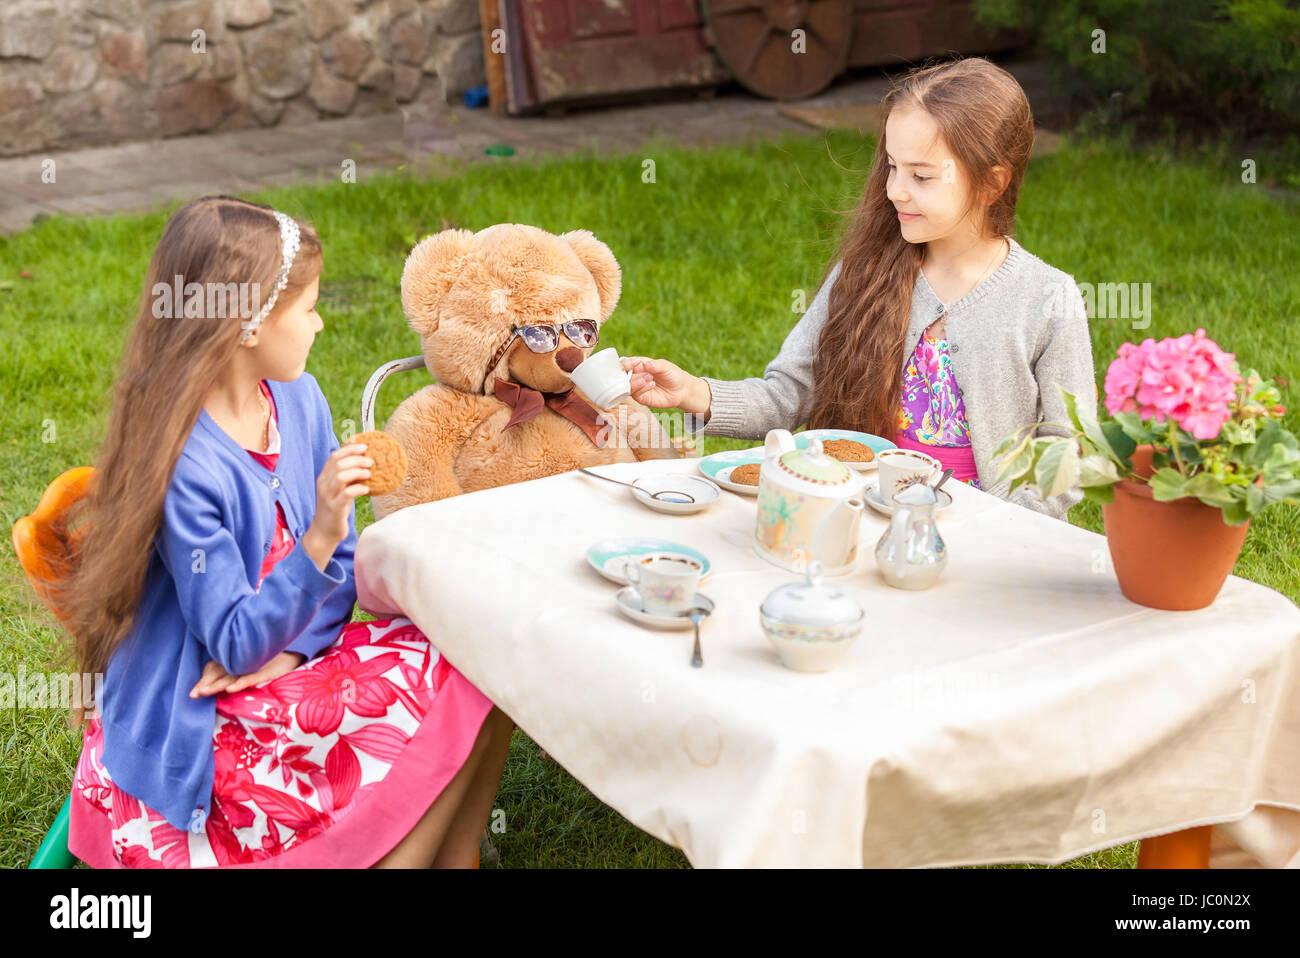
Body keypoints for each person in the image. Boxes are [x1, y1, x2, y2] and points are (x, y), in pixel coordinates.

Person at [58, 195, 515, 868]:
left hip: (281, 664)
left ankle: (457, 854)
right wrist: (318, 540)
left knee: (479, 637)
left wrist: (292, 653)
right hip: (207, 721)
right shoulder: (188, 464)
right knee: (455, 675)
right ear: (246, 325)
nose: (321, 323)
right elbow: (236, 641)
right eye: (307, 309)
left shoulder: (298, 400)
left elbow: (341, 579)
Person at [622, 57, 1095, 520]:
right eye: (892, 166)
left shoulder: (1048, 298)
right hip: (859, 524)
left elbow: (1070, 450)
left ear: (991, 183)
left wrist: (1006, 528)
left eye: (921, 176)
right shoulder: (864, 272)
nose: (895, 190)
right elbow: (788, 395)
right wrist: (694, 393)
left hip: (991, 546)